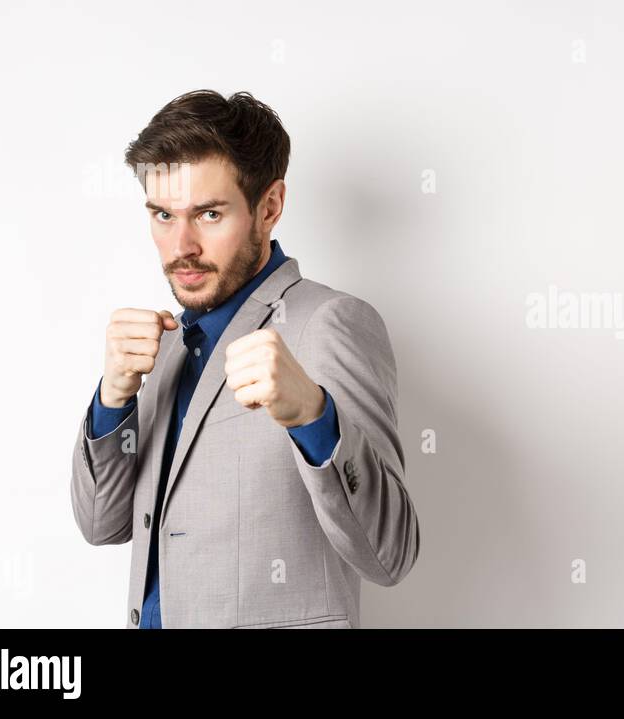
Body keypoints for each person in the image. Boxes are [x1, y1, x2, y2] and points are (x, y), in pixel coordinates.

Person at [70, 90, 419, 628]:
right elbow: (102, 525)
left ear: (270, 207)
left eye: (209, 214)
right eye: (163, 214)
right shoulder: (160, 348)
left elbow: (390, 554)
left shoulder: (329, 323)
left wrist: (314, 415)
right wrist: (113, 397)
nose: (180, 245)